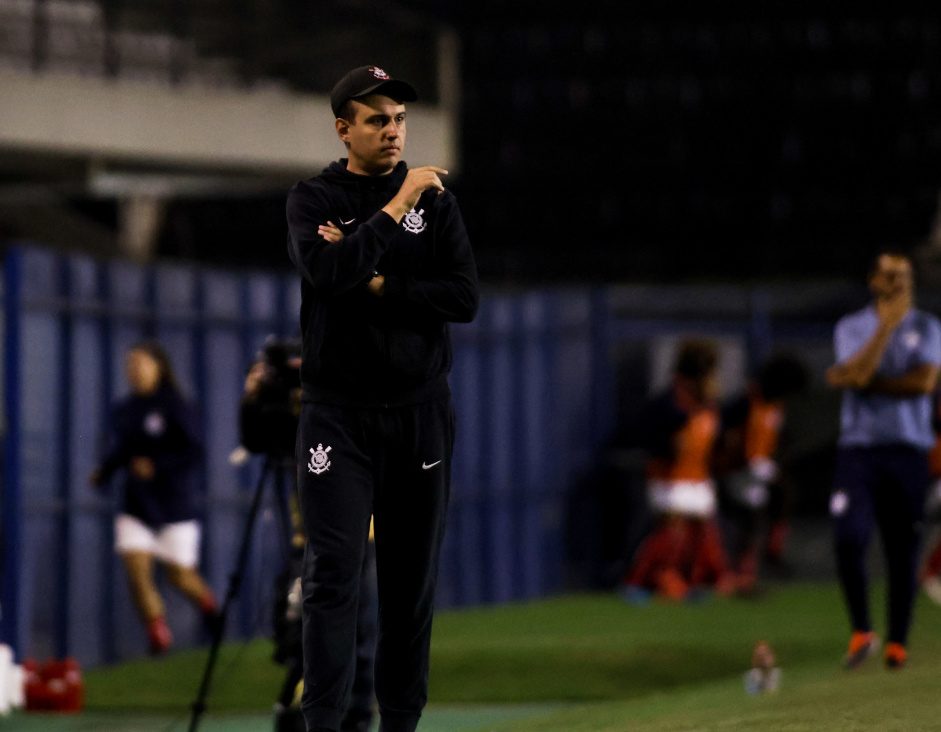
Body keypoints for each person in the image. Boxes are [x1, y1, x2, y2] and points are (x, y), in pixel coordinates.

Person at [285, 65, 479, 732]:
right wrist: (397, 209)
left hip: (418, 416)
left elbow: (462, 298)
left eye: (397, 118)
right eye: (376, 119)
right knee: (332, 578)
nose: (392, 131)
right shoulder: (312, 201)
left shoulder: (440, 204)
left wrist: (377, 284)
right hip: (335, 417)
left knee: (408, 591)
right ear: (344, 129)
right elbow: (328, 272)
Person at [239, 344, 378, 732]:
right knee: (302, 625)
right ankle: (306, 709)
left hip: (357, 532)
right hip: (308, 534)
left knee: (356, 627)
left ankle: (357, 715)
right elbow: (256, 439)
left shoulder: (351, 401)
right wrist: (253, 399)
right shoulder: (297, 413)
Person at [826, 251, 941, 669]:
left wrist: (866, 381)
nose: (899, 283)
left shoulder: (928, 327)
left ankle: (897, 642)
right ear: (873, 280)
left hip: (909, 451)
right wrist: (884, 330)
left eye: (906, 276)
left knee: (902, 548)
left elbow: (923, 383)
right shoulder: (852, 326)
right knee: (848, 536)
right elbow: (855, 376)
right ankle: (862, 630)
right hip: (859, 450)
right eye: (891, 275)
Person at [90, 341, 218, 655]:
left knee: (178, 575)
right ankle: (157, 631)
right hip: (137, 504)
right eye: (129, 364)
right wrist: (104, 472)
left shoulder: (176, 406)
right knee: (136, 568)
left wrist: (158, 467)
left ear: (158, 366)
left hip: (174, 505)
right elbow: (123, 450)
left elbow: (195, 451)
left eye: (140, 363)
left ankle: (208, 606)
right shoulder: (125, 410)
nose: (134, 370)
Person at [621, 339, 733, 603]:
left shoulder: (710, 404)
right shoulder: (669, 405)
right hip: (669, 479)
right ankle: (640, 581)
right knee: (672, 535)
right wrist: (674, 444)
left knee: (704, 537)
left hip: (697, 478)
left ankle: (698, 581)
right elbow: (650, 440)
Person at [715, 353, 808, 593]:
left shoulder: (775, 406)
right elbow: (722, 432)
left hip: (758, 468)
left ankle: (769, 553)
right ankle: (742, 572)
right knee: (751, 514)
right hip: (736, 470)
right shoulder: (747, 402)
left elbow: (776, 438)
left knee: (782, 496)